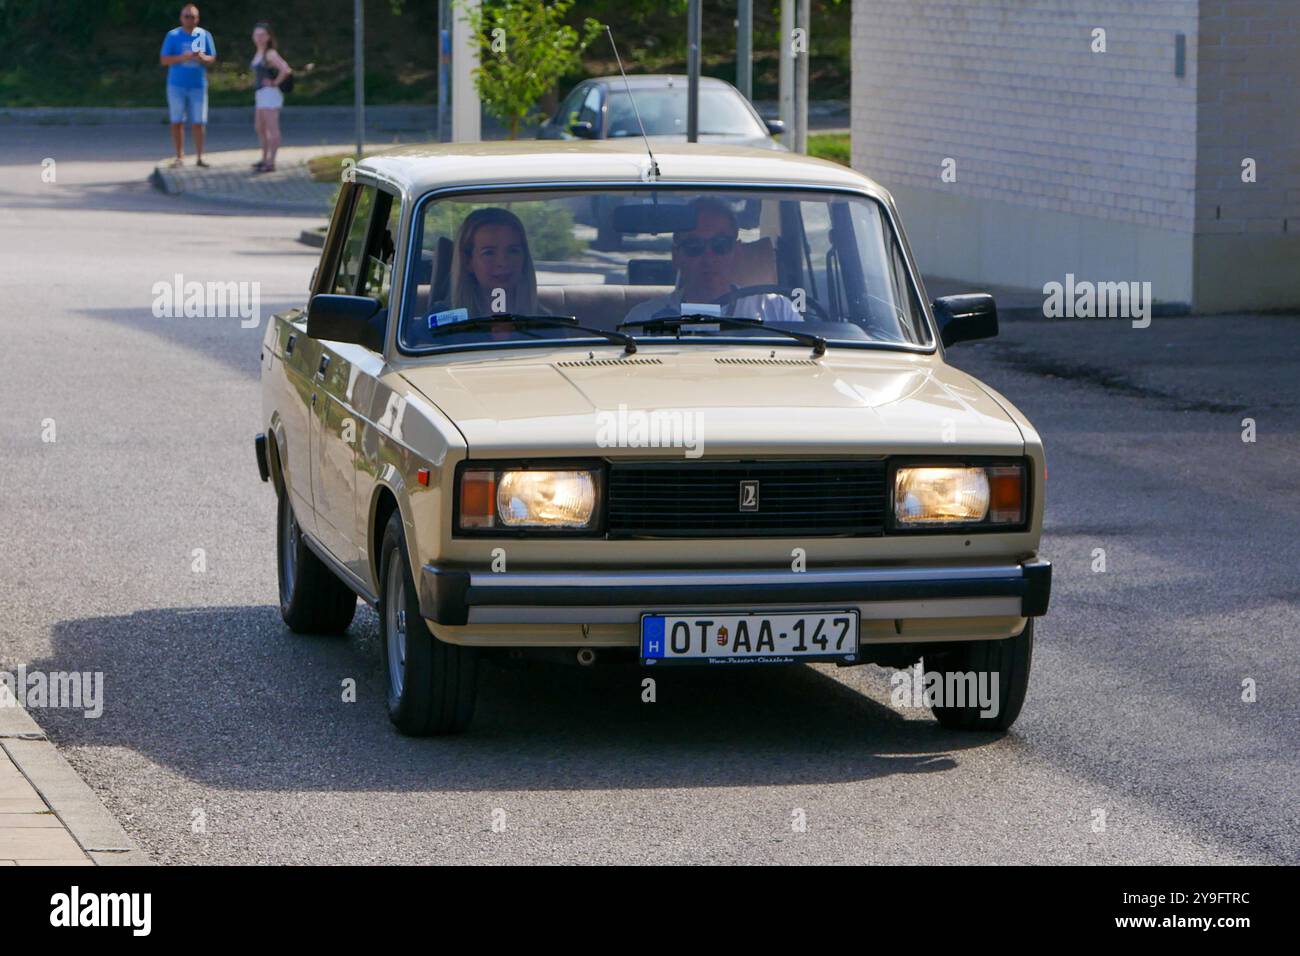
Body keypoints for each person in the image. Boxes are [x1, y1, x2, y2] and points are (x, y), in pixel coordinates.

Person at [622, 197, 802, 325]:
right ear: (676, 256)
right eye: (694, 247)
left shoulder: (777, 311)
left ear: (737, 252)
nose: (709, 258)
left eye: (720, 245)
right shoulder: (645, 319)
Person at [449, 208, 546, 317]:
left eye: (513, 251)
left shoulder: (546, 323)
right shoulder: (440, 324)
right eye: (489, 253)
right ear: (468, 261)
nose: (502, 262)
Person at [159, 4, 216, 167]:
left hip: (198, 85)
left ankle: (199, 157)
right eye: (186, 16)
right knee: (177, 121)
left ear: (197, 18)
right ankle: (179, 156)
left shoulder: (204, 35)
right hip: (176, 85)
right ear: (181, 18)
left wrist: (202, 58)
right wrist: (182, 57)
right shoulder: (173, 35)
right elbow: (164, 60)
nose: (190, 19)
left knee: (199, 122)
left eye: (193, 17)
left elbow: (212, 58)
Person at [250, 22, 292, 173]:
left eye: (262, 35)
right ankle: (264, 158)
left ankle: (271, 161)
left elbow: (285, 69)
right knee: (259, 127)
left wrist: (275, 82)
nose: (259, 38)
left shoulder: (270, 53)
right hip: (261, 94)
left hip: (270, 94)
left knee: (272, 128)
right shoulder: (259, 52)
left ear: (268, 37)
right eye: (257, 34)